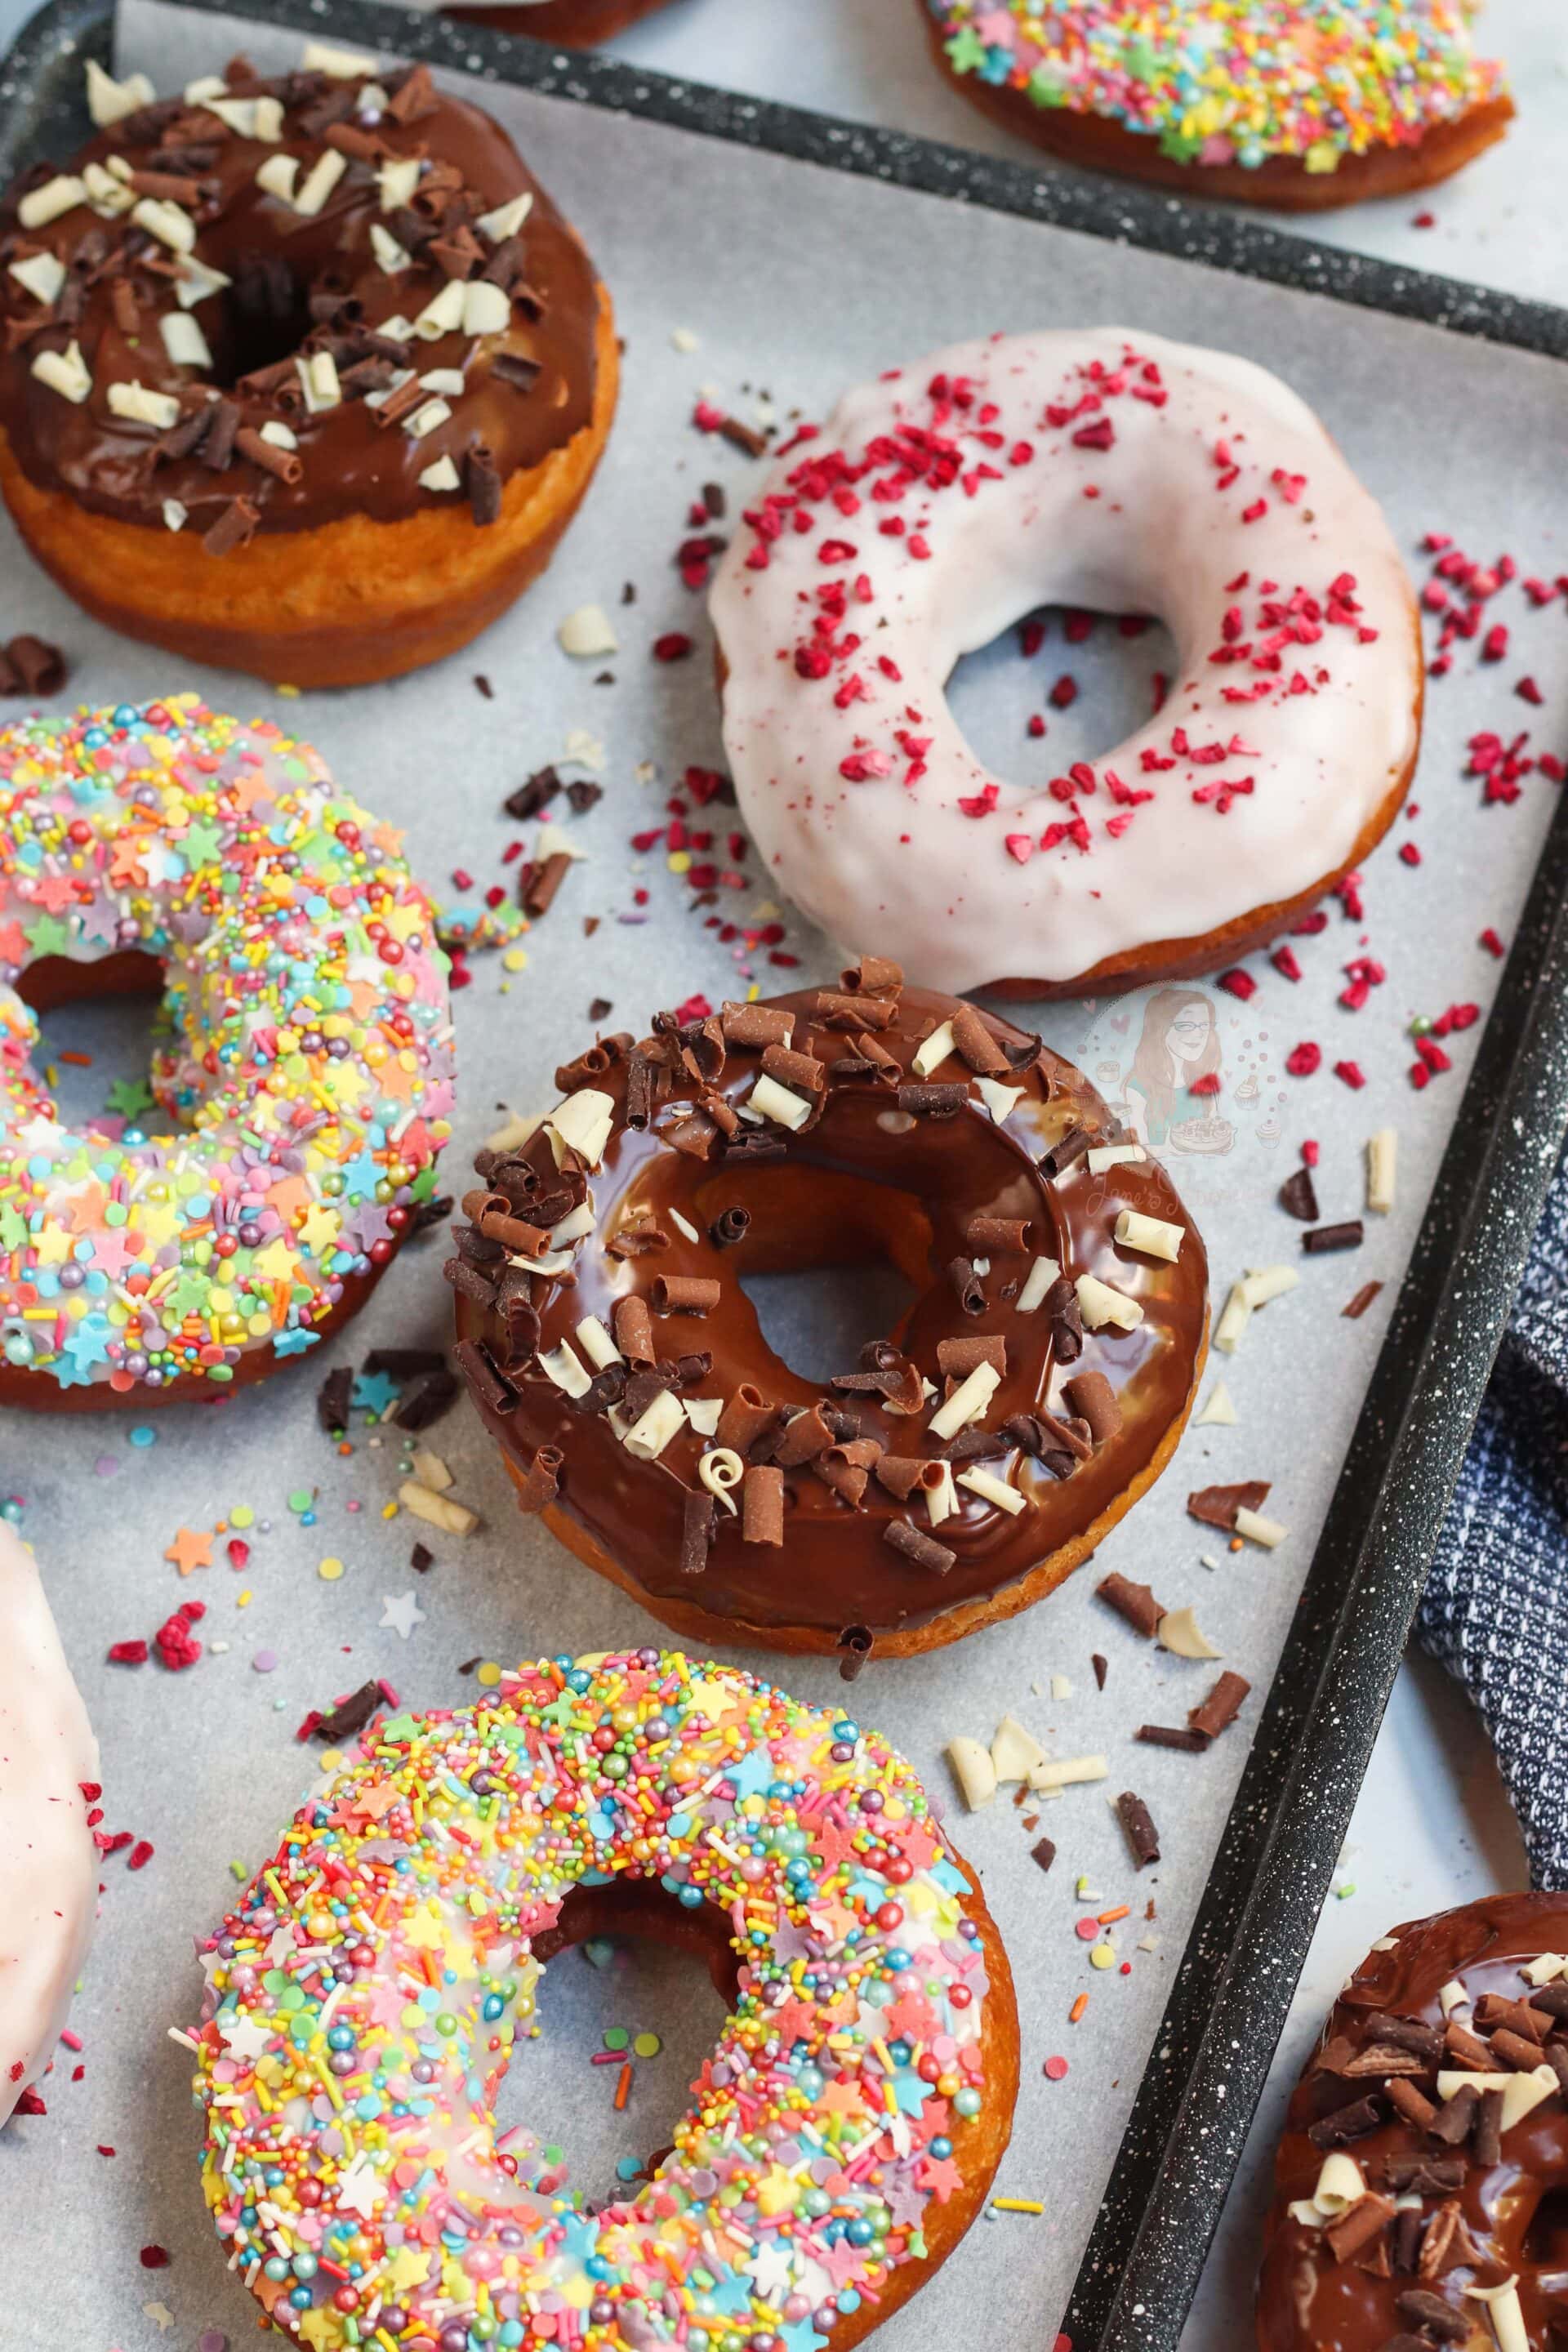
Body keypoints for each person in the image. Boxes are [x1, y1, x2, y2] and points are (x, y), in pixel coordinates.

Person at [1123, 987, 1223, 1149]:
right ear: (1160, 1029)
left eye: (1204, 1025)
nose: (1199, 1034)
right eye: (1186, 1025)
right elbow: (1140, 1152)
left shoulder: (1205, 1077)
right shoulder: (1139, 1085)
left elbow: (1215, 1127)